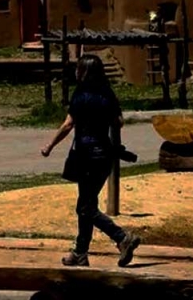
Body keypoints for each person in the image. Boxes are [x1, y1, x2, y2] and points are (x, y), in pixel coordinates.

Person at [41, 55, 140, 268]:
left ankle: (122, 237)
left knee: (86, 207)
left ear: (84, 71)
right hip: (104, 157)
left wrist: (49, 145)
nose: (76, 72)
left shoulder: (81, 94)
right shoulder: (107, 93)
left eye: (78, 68)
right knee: (87, 203)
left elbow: (68, 125)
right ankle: (80, 253)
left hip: (86, 156)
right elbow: (119, 122)